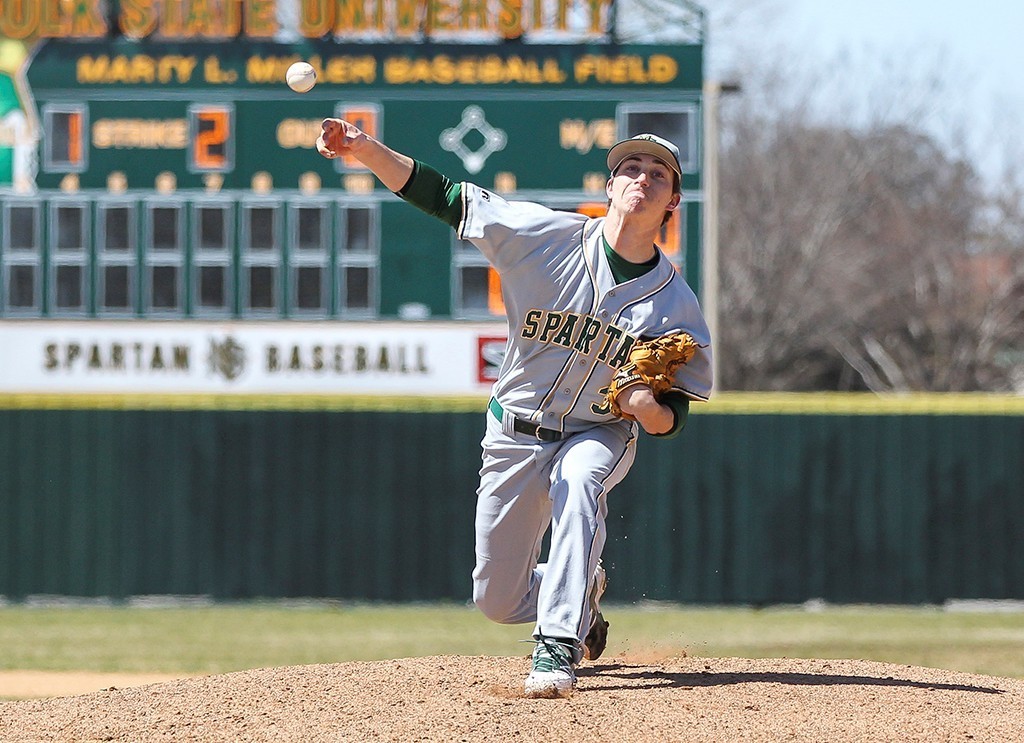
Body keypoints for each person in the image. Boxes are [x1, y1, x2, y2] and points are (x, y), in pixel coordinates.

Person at [316, 120, 713, 698]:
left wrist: (646, 404)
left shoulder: (675, 303)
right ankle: (577, 588)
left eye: (658, 175)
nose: (642, 180)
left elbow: (674, 415)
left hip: (596, 432)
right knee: (496, 600)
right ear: (609, 186)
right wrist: (365, 148)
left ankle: (556, 650)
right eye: (630, 168)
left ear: (673, 200)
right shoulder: (543, 236)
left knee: (581, 482)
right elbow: (446, 196)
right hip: (515, 430)